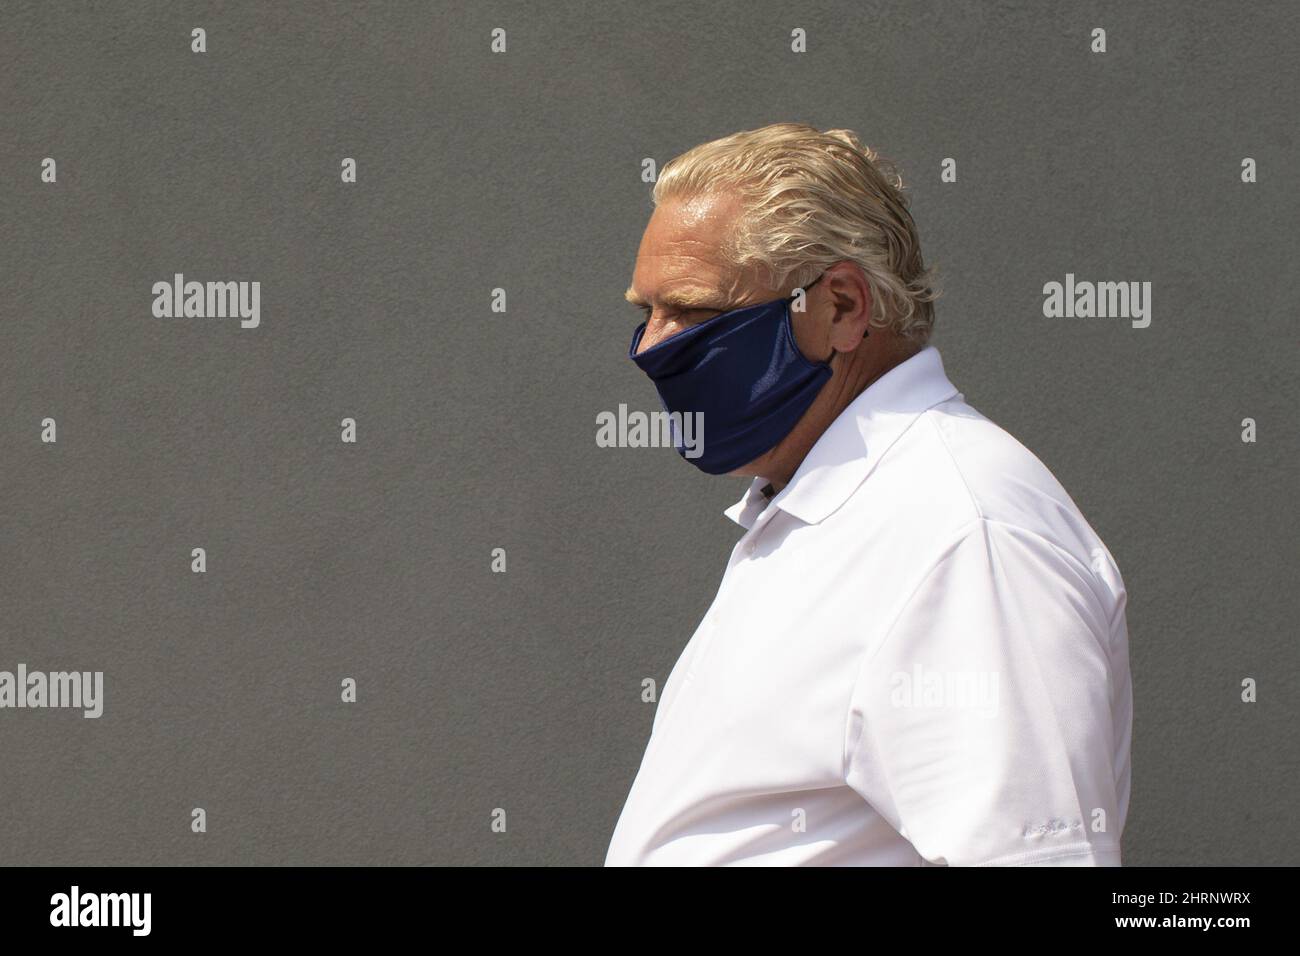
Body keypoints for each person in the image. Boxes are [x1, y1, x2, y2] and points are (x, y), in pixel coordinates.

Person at [606, 123, 1132, 866]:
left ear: (844, 306)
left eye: (693, 312)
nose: (653, 347)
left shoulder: (962, 531)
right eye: (645, 313)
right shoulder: (829, 508)